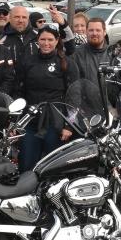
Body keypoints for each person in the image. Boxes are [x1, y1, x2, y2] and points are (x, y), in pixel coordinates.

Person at [17, 25, 79, 170]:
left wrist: (69, 125)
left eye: (50, 39)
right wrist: (16, 122)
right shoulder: (28, 61)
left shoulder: (66, 63)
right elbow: (19, 92)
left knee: (51, 167)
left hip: (56, 123)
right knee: (27, 164)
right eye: (43, 39)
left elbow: (75, 97)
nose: (46, 43)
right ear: (37, 40)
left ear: (57, 40)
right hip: (31, 121)